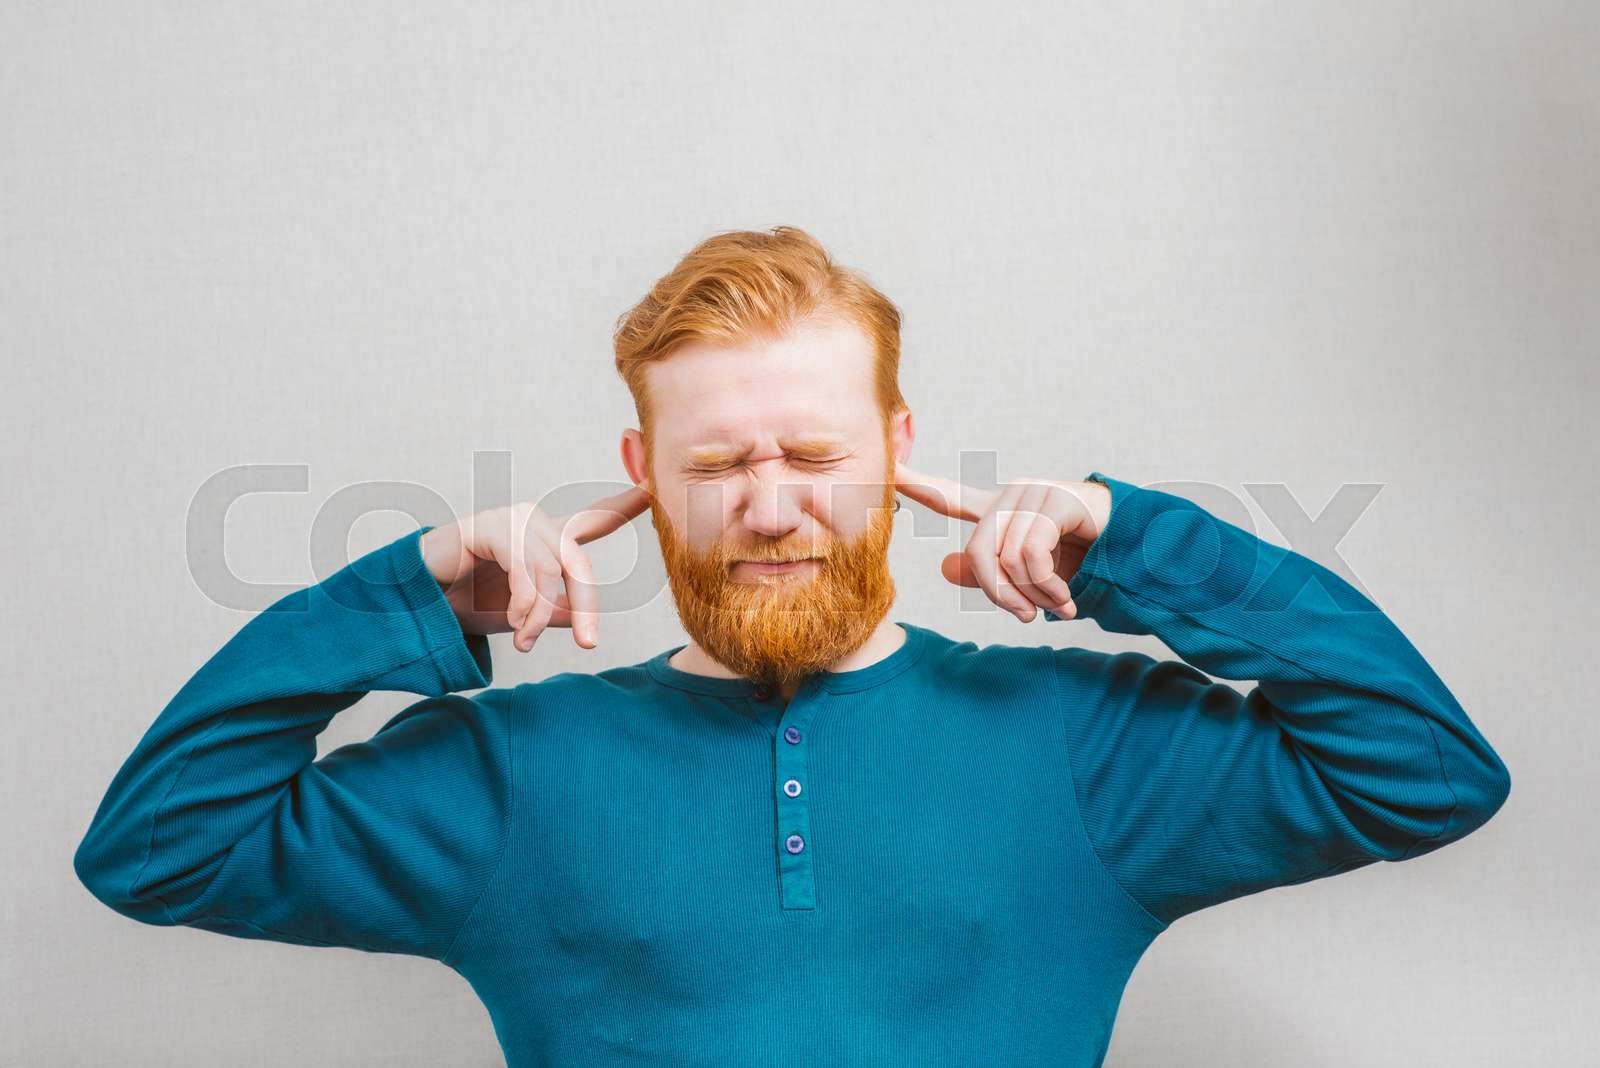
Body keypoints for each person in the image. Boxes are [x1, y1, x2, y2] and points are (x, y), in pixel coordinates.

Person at [73, 226, 1511, 1067]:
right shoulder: (517, 770)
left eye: (814, 452)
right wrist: (411, 589)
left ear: (896, 451)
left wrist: (1137, 542)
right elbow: (157, 850)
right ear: (640, 469)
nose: (768, 508)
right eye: (715, 464)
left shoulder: (1078, 745)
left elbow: (1427, 772)